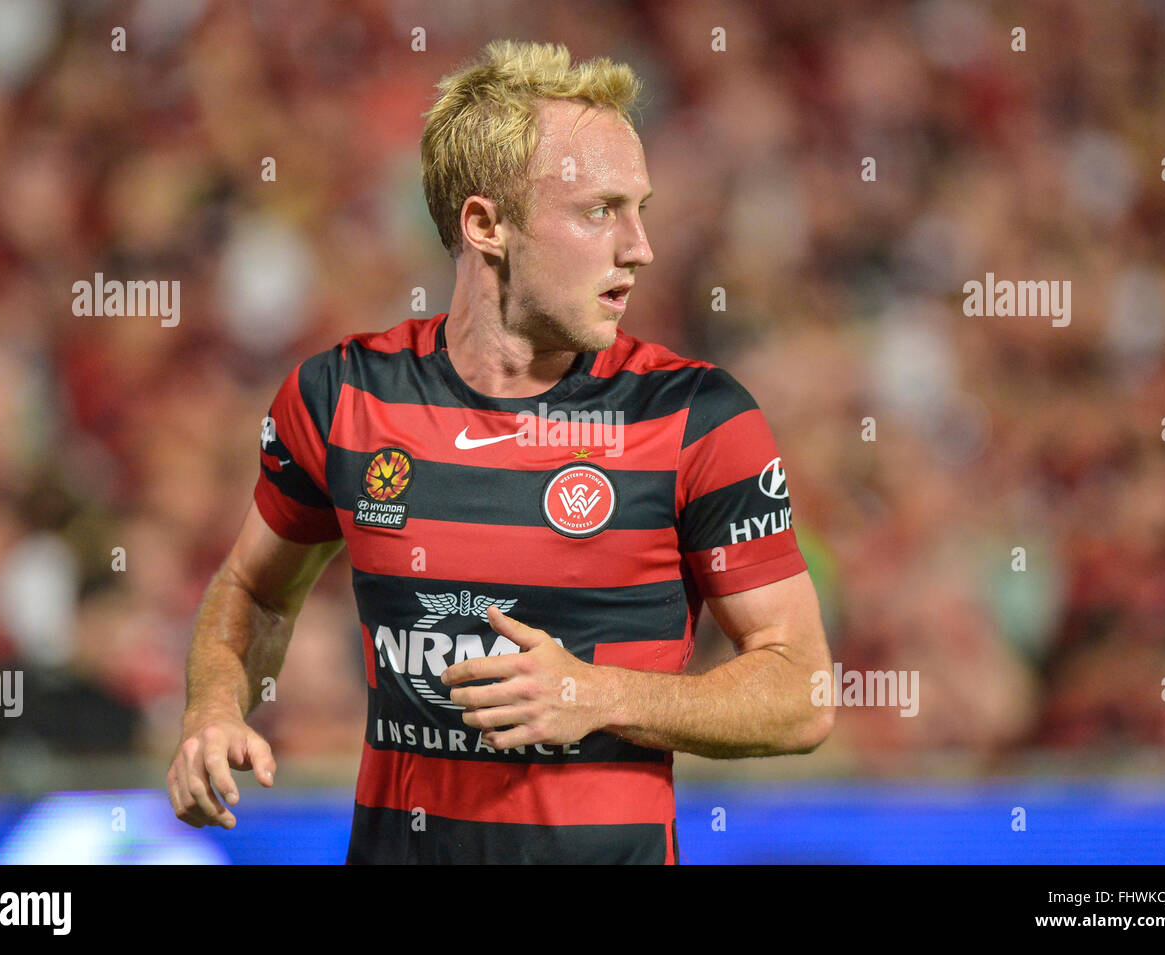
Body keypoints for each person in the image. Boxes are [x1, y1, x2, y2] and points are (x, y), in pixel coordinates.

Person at [167, 39, 833, 864]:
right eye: (599, 211)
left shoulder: (696, 417)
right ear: (486, 225)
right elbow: (254, 593)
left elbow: (802, 691)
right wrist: (212, 711)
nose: (639, 247)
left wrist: (597, 694)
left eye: (641, 208)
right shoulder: (344, 398)